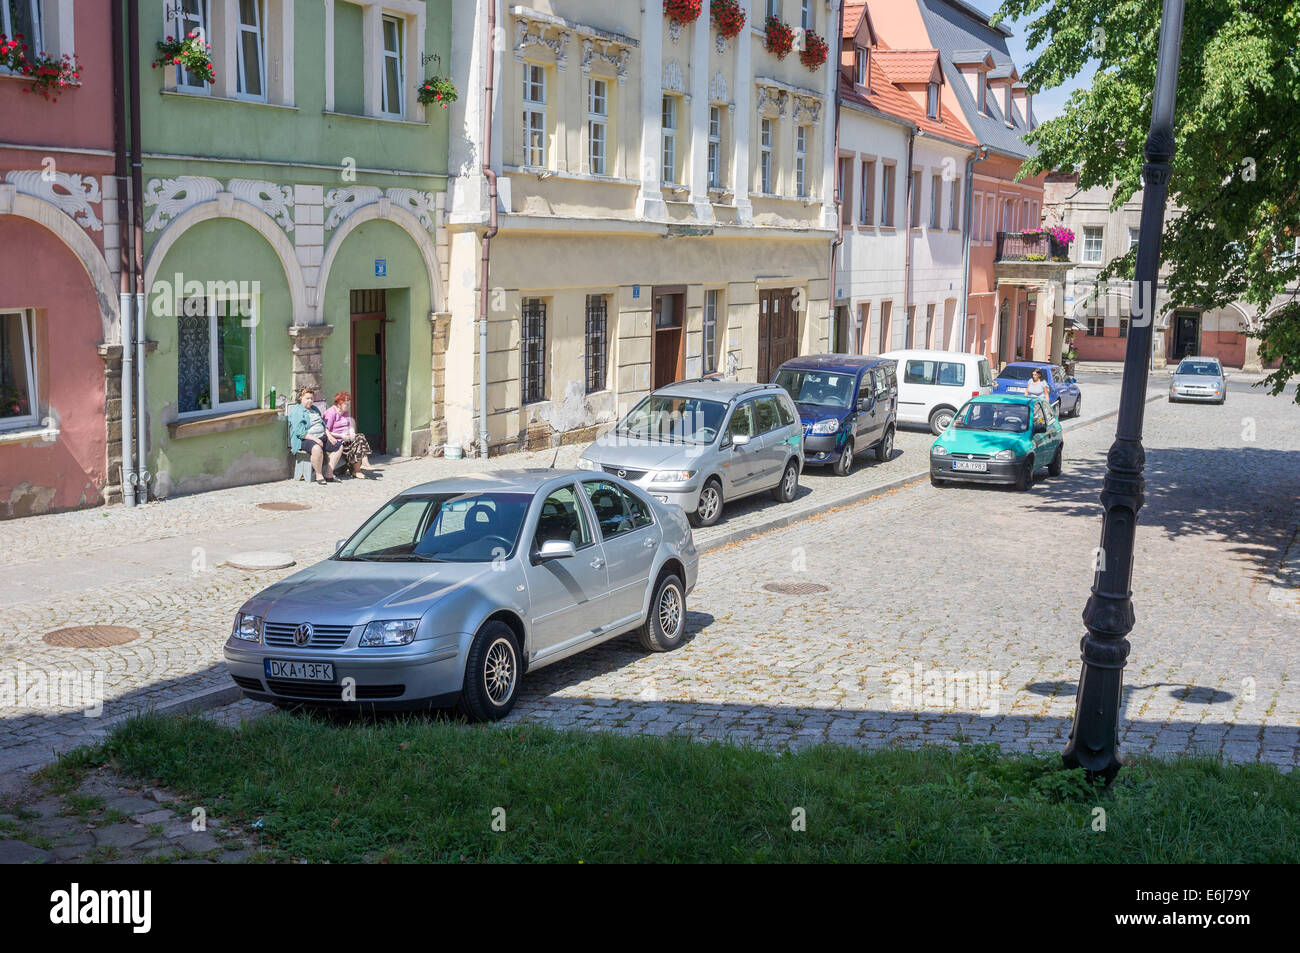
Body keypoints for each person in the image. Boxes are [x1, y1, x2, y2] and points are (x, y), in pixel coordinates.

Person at [287, 387, 342, 483]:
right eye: (307, 398)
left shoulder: (314, 409)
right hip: (305, 439)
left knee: (338, 446)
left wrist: (329, 435)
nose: (310, 401)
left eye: (312, 398)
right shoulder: (297, 411)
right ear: (300, 398)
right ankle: (319, 475)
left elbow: (323, 424)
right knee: (317, 449)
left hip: (321, 436)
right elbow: (300, 433)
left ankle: (329, 473)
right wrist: (316, 440)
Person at [324, 391, 373, 478]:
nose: (348, 406)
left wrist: (352, 432)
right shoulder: (331, 413)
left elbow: (349, 425)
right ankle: (358, 469)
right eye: (346, 404)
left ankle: (359, 469)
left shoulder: (345, 412)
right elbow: (326, 431)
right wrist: (341, 436)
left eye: (349, 404)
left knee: (359, 437)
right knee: (359, 440)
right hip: (337, 440)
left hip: (347, 439)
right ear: (339, 404)